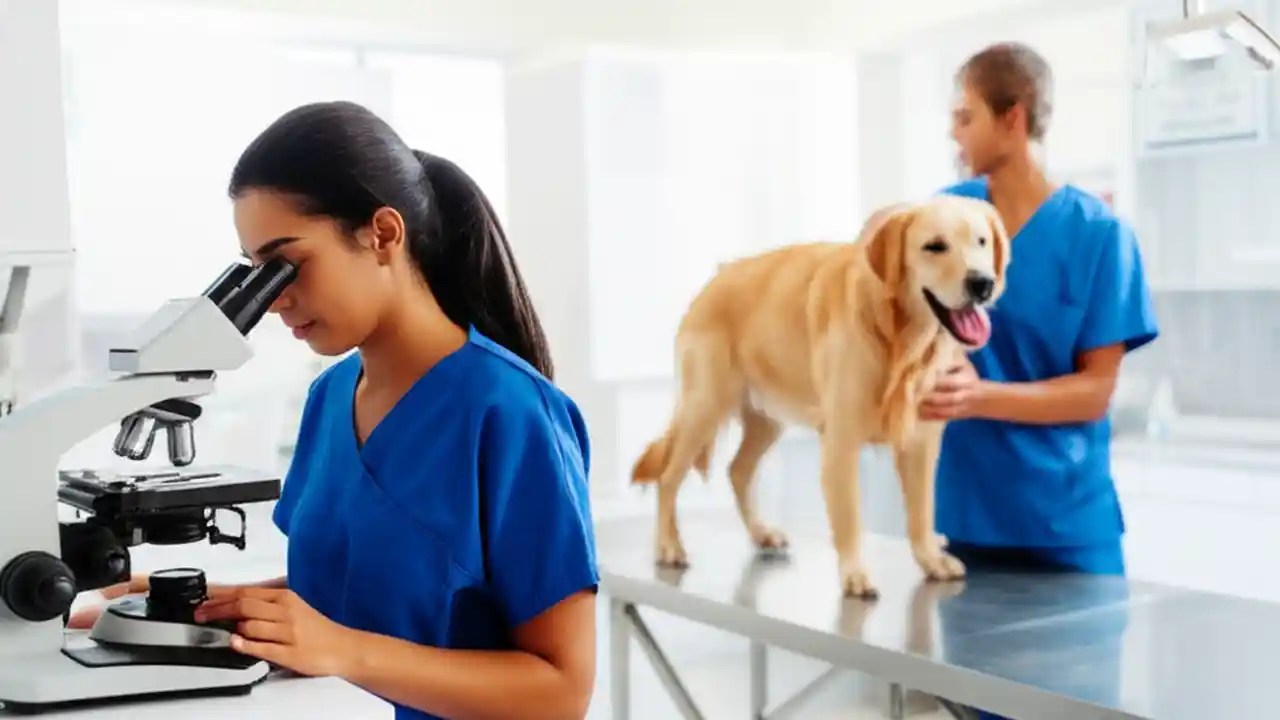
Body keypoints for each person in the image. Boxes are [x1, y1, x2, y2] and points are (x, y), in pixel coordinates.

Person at [70, 101, 599, 720]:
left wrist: (343, 651)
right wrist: (185, 603)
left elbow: (561, 692)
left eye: (287, 264)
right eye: (257, 274)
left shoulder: (510, 412)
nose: (271, 302)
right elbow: (353, 592)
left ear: (383, 233)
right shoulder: (330, 397)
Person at [922, 42, 1158, 718]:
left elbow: (1094, 391)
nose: (953, 131)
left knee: (1072, 709)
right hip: (967, 526)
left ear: (1013, 119)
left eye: (965, 116)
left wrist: (980, 396)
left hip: (1066, 531)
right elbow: (888, 267)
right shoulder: (951, 215)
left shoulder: (1098, 234)